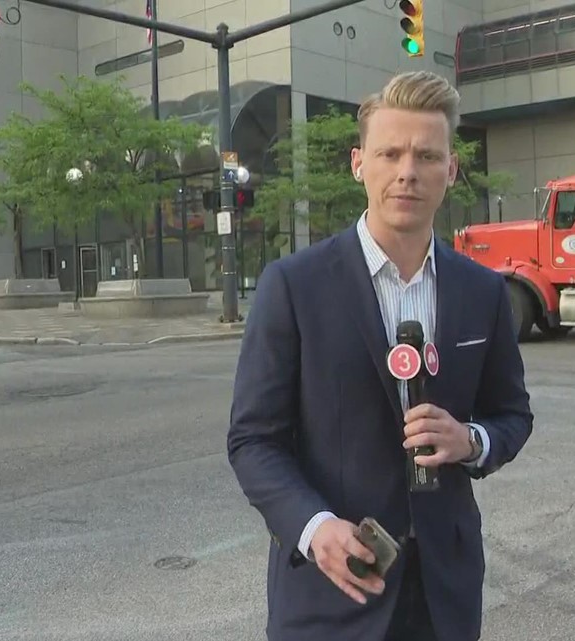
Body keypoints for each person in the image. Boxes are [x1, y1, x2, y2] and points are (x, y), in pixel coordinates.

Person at [227, 70, 534, 641]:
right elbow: (254, 441)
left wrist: (471, 441)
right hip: (332, 590)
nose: (407, 172)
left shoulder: (483, 292)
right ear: (358, 163)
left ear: (451, 170)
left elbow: (513, 415)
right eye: (389, 153)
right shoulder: (294, 286)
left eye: (426, 155)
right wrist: (315, 528)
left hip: (444, 593)